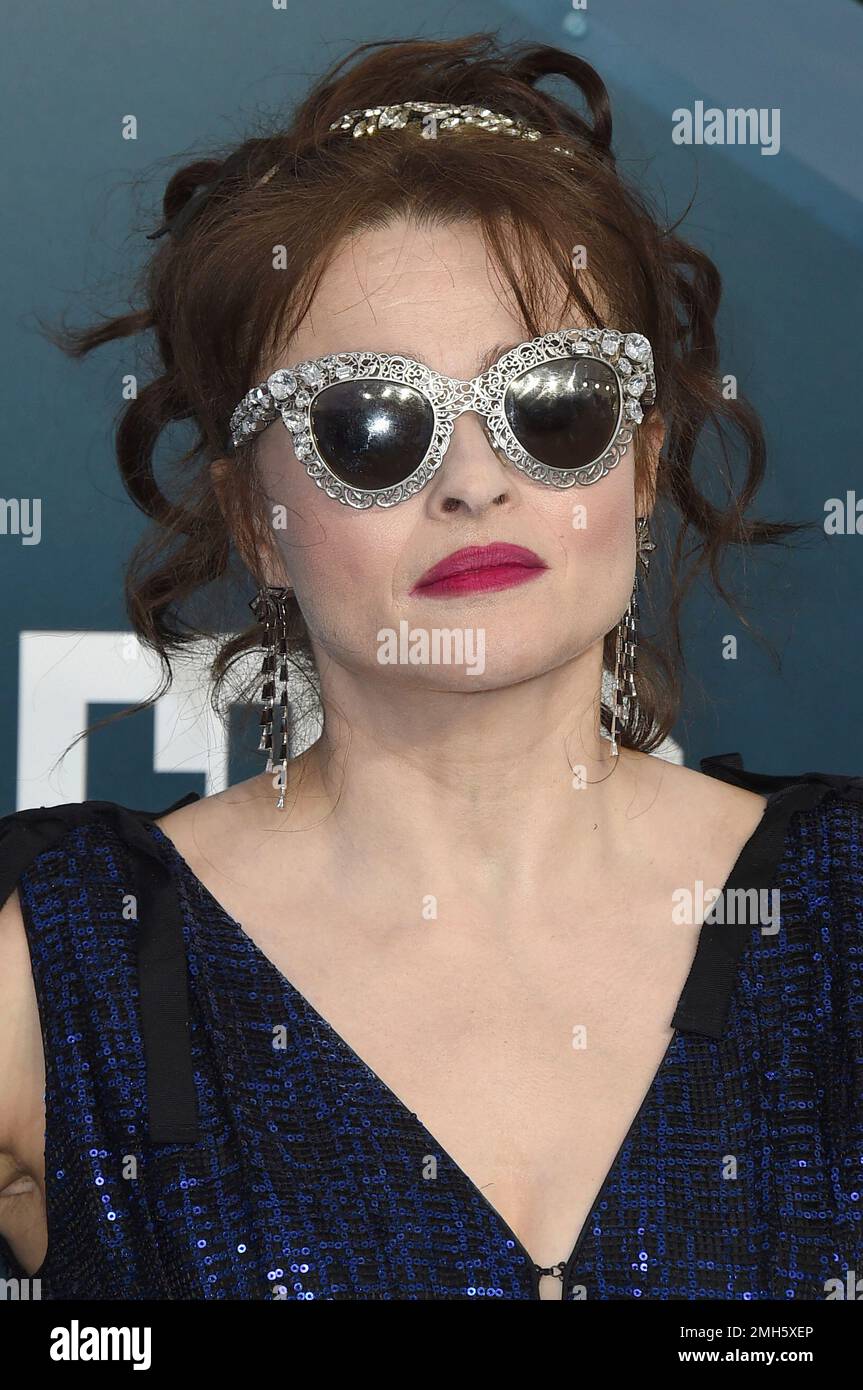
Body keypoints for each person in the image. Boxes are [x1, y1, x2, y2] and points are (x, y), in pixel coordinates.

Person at [1, 33, 861, 1302]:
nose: (472, 482)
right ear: (255, 522)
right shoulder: (55, 976)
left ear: (636, 466)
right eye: (368, 427)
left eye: (552, 403)